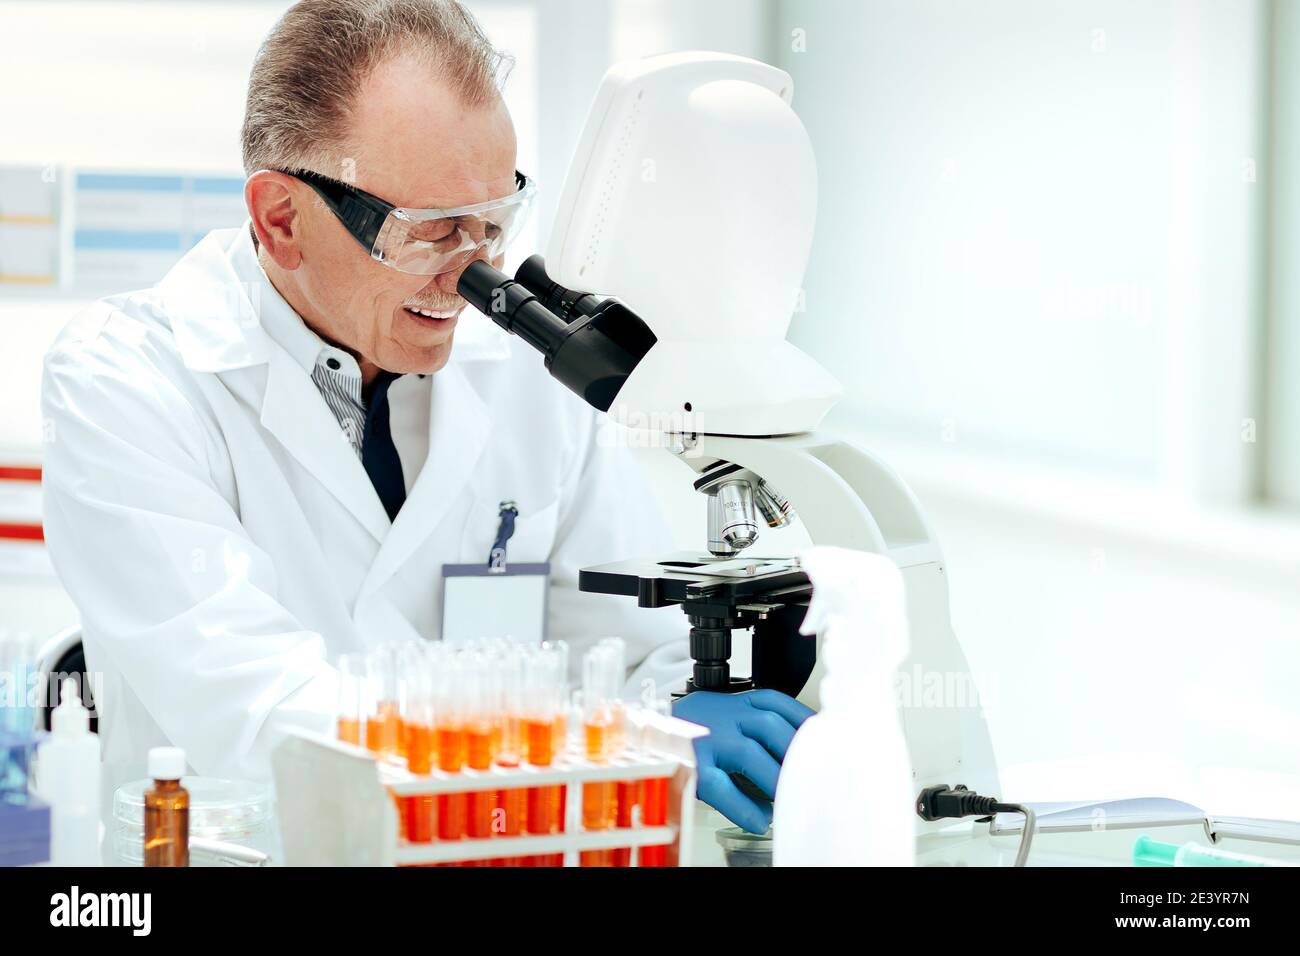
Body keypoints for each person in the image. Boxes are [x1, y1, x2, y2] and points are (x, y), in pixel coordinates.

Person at [40, 0, 809, 838]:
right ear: (282, 219)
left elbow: (629, 656)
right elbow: (263, 713)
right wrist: (631, 740)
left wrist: (680, 720)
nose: (474, 276)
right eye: (431, 232)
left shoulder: (526, 377)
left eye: (494, 223)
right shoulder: (125, 382)